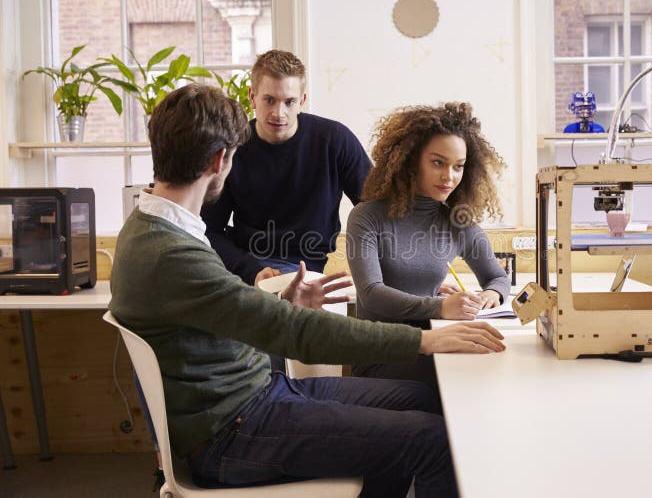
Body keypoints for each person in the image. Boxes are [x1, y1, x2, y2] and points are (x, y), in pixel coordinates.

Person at [109, 84, 505, 498]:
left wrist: (282, 303)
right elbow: (299, 334)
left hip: (255, 395)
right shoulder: (172, 252)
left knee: (417, 398)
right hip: (233, 430)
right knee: (436, 442)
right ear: (219, 159)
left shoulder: (155, 231)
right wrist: (425, 338)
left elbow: (227, 315)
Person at [346, 102, 510, 398]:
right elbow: (371, 293)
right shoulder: (367, 216)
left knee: (492, 367)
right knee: (472, 379)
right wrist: (439, 306)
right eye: (438, 162)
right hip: (383, 356)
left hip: (438, 341)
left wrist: (490, 296)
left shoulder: (457, 221)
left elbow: (497, 278)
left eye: (458, 166)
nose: (449, 176)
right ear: (410, 161)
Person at [201, 49, 372, 285]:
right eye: (269, 100)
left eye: (289, 102)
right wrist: (251, 270)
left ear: (301, 101)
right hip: (245, 267)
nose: (278, 113)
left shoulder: (334, 140)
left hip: (307, 269)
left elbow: (375, 208)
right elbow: (208, 229)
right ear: (252, 97)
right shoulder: (233, 148)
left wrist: (371, 276)